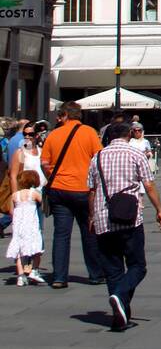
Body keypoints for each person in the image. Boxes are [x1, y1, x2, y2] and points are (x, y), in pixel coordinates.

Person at [87, 120, 161, 331]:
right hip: (130, 218)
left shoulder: (98, 157)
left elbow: (92, 191)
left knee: (113, 270)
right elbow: (148, 184)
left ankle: (119, 316)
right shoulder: (135, 154)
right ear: (128, 135)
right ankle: (120, 296)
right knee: (138, 266)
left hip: (104, 219)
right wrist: (159, 209)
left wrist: (92, 216)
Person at [41, 102, 105, 288]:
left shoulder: (53, 135)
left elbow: (44, 163)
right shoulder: (90, 132)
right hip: (83, 190)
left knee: (61, 234)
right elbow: (99, 158)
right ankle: (95, 274)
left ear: (65, 115)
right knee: (89, 232)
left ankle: (60, 277)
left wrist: (52, 176)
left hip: (59, 190)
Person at [8, 124, 46, 278]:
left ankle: (32, 266)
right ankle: (25, 265)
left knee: (37, 230)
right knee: (23, 231)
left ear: (38, 135)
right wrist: (16, 195)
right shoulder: (21, 152)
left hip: (39, 193)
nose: (28, 137)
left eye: (31, 134)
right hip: (25, 197)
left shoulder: (41, 152)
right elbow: (13, 174)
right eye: (25, 134)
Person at [6, 168, 43, 286]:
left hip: (18, 225)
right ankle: (34, 270)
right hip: (31, 224)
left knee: (19, 249)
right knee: (36, 248)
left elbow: (11, 211)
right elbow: (43, 204)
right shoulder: (34, 193)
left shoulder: (15, 195)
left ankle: (21, 276)